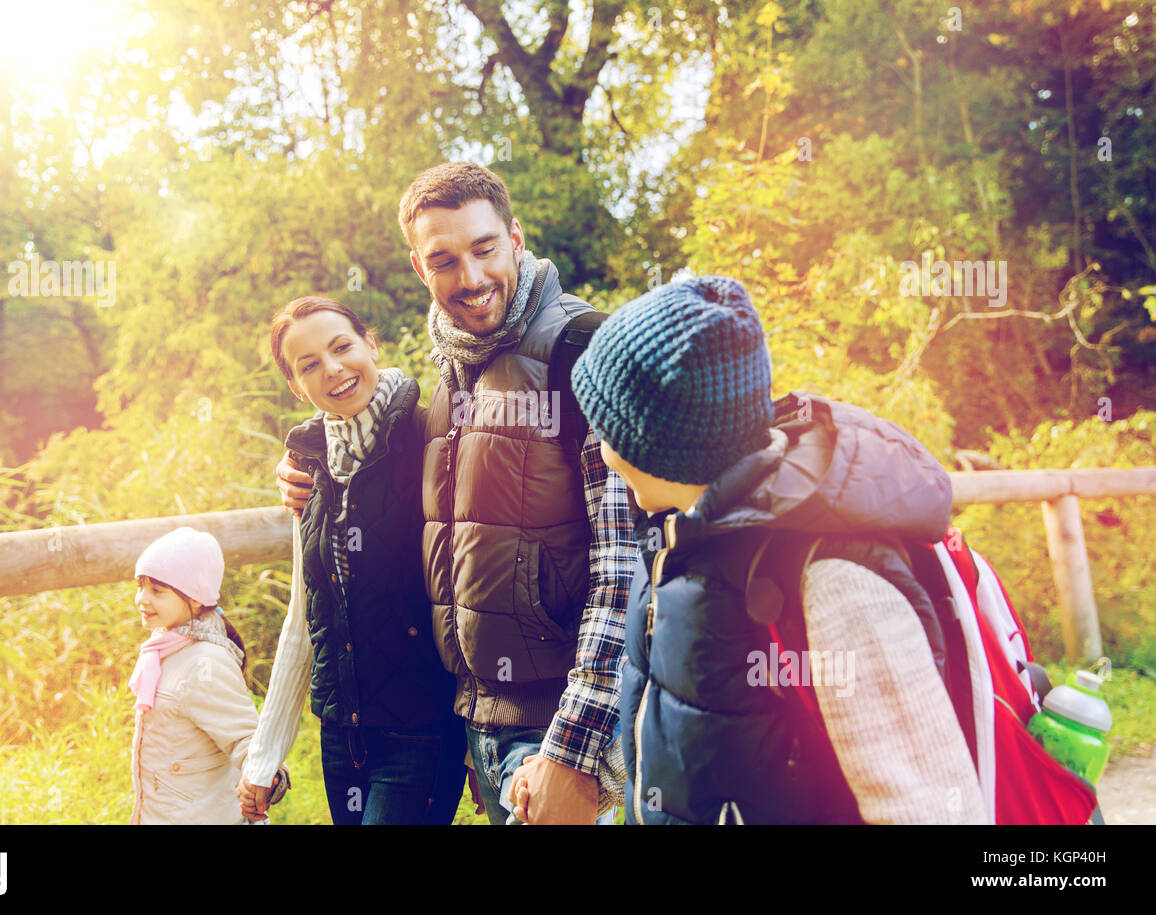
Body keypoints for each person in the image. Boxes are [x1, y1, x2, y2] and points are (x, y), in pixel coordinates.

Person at [276, 163, 634, 824]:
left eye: (485, 248)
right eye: (444, 259)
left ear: (517, 238)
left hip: (562, 732)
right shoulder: (448, 382)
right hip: (486, 727)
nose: (469, 278)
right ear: (419, 267)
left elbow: (624, 567)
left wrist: (574, 753)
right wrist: (305, 470)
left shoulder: (581, 352)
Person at [561, 274, 988, 824]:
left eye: (605, 426)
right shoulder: (681, 538)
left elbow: (929, 810)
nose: (598, 446)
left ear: (661, 446)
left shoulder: (831, 580)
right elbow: (676, 712)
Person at [241, 296, 466, 825]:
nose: (333, 369)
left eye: (341, 347)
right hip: (343, 736)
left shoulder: (433, 436)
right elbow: (304, 619)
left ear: (371, 343)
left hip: (422, 728)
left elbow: (468, 596)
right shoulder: (309, 471)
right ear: (297, 387)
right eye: (309, 364)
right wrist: (264, 754)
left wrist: (481, 733)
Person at [128, 526, 287, 824]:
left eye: (157, 591)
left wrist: (266, 778)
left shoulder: (206, 662)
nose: (143, 599)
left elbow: (246, 738)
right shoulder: (164, 648)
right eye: (141, 587)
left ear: (196, 599)